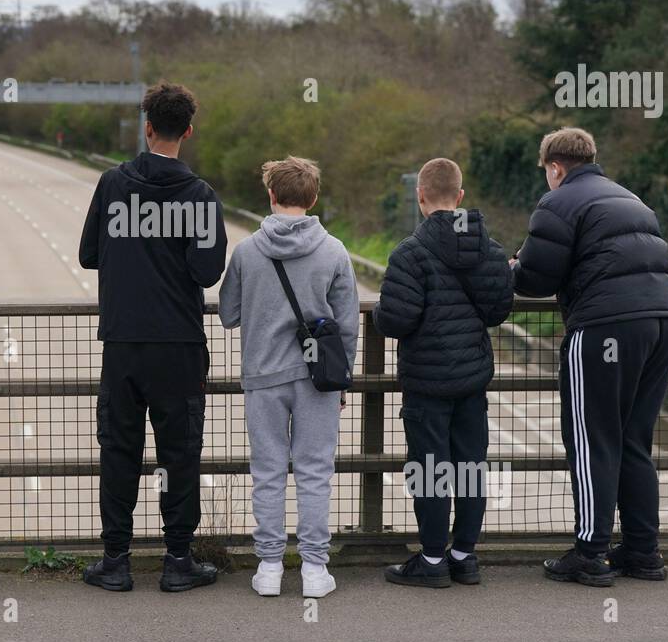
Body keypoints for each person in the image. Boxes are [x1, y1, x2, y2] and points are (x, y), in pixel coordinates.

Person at [512, 127, 668, 586]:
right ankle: (644, 553)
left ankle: (590, 552)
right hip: (664, 321)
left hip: (607, 327)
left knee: (591, 440)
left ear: (555, 167)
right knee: (633, 440)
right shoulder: (632, 199)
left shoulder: (560, 202)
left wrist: (510, 268)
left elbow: (535, 278)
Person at [78, 81, 229, 593]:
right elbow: (208, 273)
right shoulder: (201, 197)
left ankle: (115, 561)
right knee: (179, 454)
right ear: (187, 130)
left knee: (118, 450)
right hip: (179, 347)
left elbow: (88, 254)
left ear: (147, 127)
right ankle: (177, 561)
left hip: (122, 344)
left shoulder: (112, 184)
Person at [218, 157, 358, 599]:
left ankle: (269, 567)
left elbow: (228, 313)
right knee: (315, 471)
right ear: (313, 198)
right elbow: (348, 324)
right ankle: (315, 569)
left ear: (271, 195)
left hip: (263, 376)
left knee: (269, 471)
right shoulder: (334, 251)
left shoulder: (246, 252)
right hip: (317, 377)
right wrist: (340, 379)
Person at [373, 158, 514, 588]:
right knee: (470, 466)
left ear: (420, 197)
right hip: (472, 379)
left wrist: (380, 312)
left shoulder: (409, 253)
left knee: (430, 470)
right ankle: (464, 556)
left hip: (427, 383)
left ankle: (432, 560)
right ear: (461, 196)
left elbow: (396, 320)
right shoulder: (489, 251)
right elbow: (498, 311)